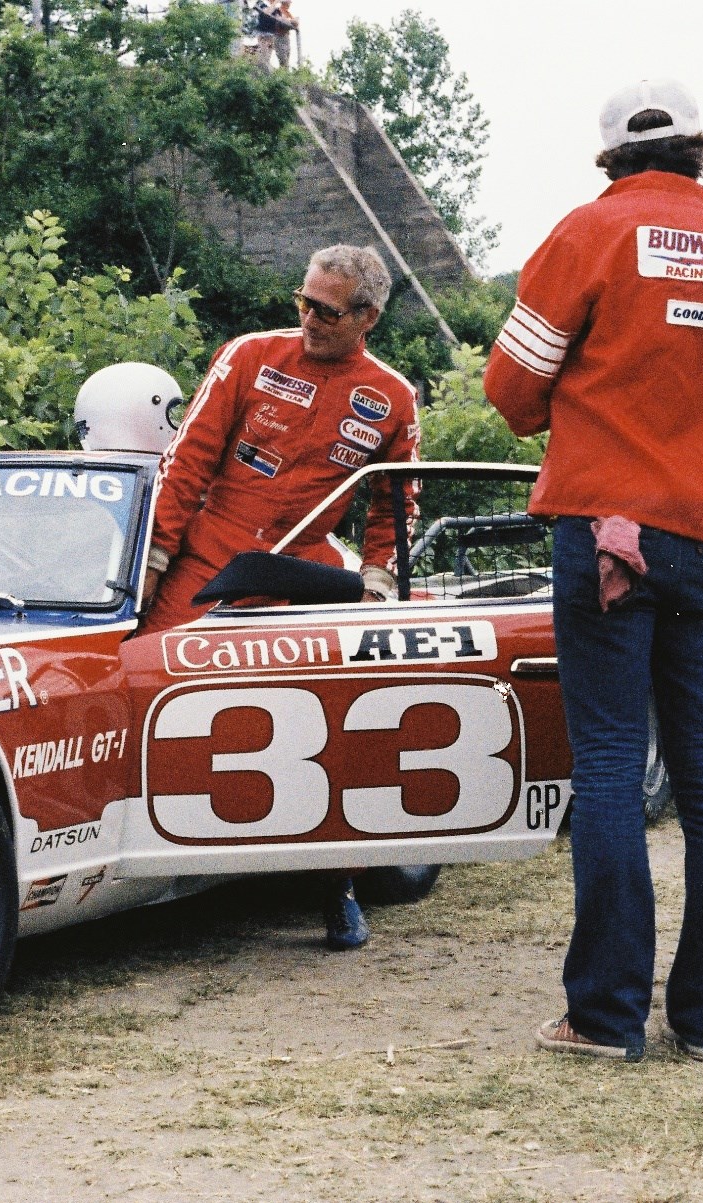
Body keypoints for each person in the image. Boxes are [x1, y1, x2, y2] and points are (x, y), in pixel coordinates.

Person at [484, 80, 703, 1063]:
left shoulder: (586, 238)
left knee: (607, 767)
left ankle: (602, 1018)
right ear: (697, 152)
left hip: (605, 533)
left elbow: (512, 393)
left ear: (610, 161)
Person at [140, 242, 419, 950]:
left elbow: (393, 510)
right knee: (143, 681)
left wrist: (380, 585)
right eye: (301, 302)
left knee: (329, 719)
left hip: (303, 569)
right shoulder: (249, 354)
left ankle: (338, 882)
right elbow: (187, 461)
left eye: (323, 311)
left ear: (367, 317)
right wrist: (153, 561)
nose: (307, 320)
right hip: (211, 556)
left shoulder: (392, 396)